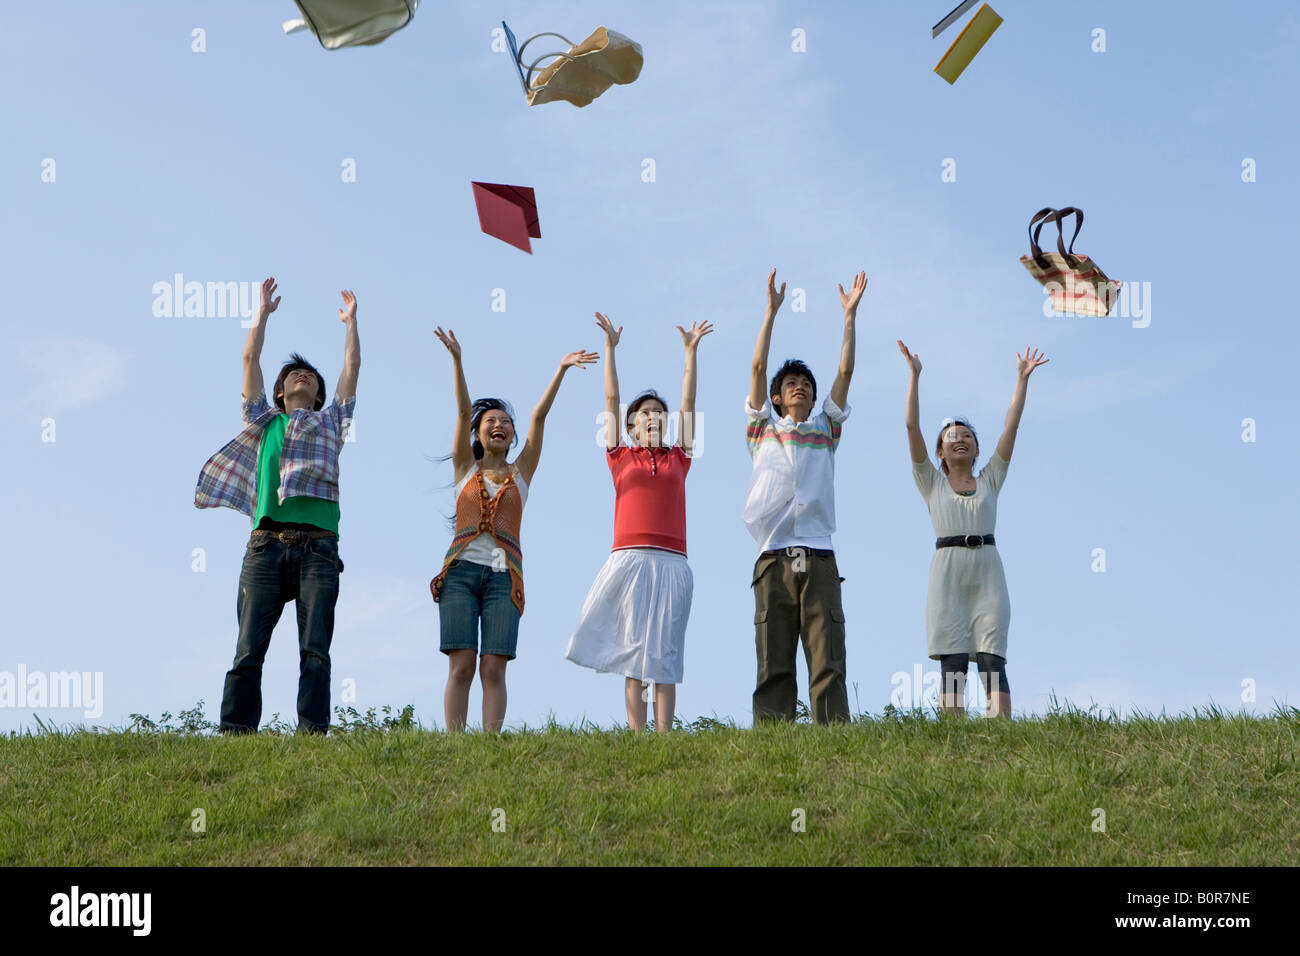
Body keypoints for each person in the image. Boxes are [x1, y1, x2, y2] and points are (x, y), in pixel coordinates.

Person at [195, 277, 360, 734]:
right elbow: (249, 359)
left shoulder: (332, 424)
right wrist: (261, 315)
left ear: (320, 396)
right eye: (291, 376)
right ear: (281, 393)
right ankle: (236, 732)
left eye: (309, 375)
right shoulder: (263, 422)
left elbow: (352, 368)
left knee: (315, 650)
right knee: (249, 647)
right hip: (266, 545)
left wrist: (350, 324)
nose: (300, 377)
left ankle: (312, 734)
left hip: (319, 549)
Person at [431, 327, 597, 732]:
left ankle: (490, 743)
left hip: (505, 577)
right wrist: (457, 360)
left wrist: (561, 369)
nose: (499, 426)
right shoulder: (463, 469)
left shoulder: (520, 473)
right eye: (491, 421)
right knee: (463, 663)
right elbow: (461, 410)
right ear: (478, 433)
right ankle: (455, 743)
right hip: (461, 574)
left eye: (505, 422)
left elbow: (540, 417)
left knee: (493, 666)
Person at [566, 312, 713, 732]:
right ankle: (637, 735)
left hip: (671, 561)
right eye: (644, 413)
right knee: (634, 653)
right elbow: (611, 401)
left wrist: (690, 353)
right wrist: (611, 348)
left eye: (657, 413)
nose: (653, 417)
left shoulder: (678, 457)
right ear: (630, 427)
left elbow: (689, 404)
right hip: (630, 559)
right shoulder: (620, 456)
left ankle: (664, 736)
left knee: (663, 653)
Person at [896, 339, 1049, 717]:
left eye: (967, 436)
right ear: (940, 453)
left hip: (988, 570)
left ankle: (1000, 726)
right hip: (947, 572)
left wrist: (1022, 379)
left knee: (991, 655)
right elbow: (912, 425)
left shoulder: (991, 479)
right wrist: (914, 376)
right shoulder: (931, 482)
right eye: (951, 437)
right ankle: (953, 728)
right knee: (953, 657)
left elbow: (1012, 423)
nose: (959, 439)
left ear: (977, 449)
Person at [745, 268, 865, 725]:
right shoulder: (762, 430)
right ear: (776, 397)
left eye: (806, 384)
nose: (800, 386)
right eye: (791, 383)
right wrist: (771, 313)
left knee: (826, 656)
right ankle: (774, 738)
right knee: (773, 660)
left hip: (819, 555)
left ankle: (834, 735)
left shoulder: (825, 429)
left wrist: (849, 317)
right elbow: (757, 368)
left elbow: (846, 371)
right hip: (772, 557)